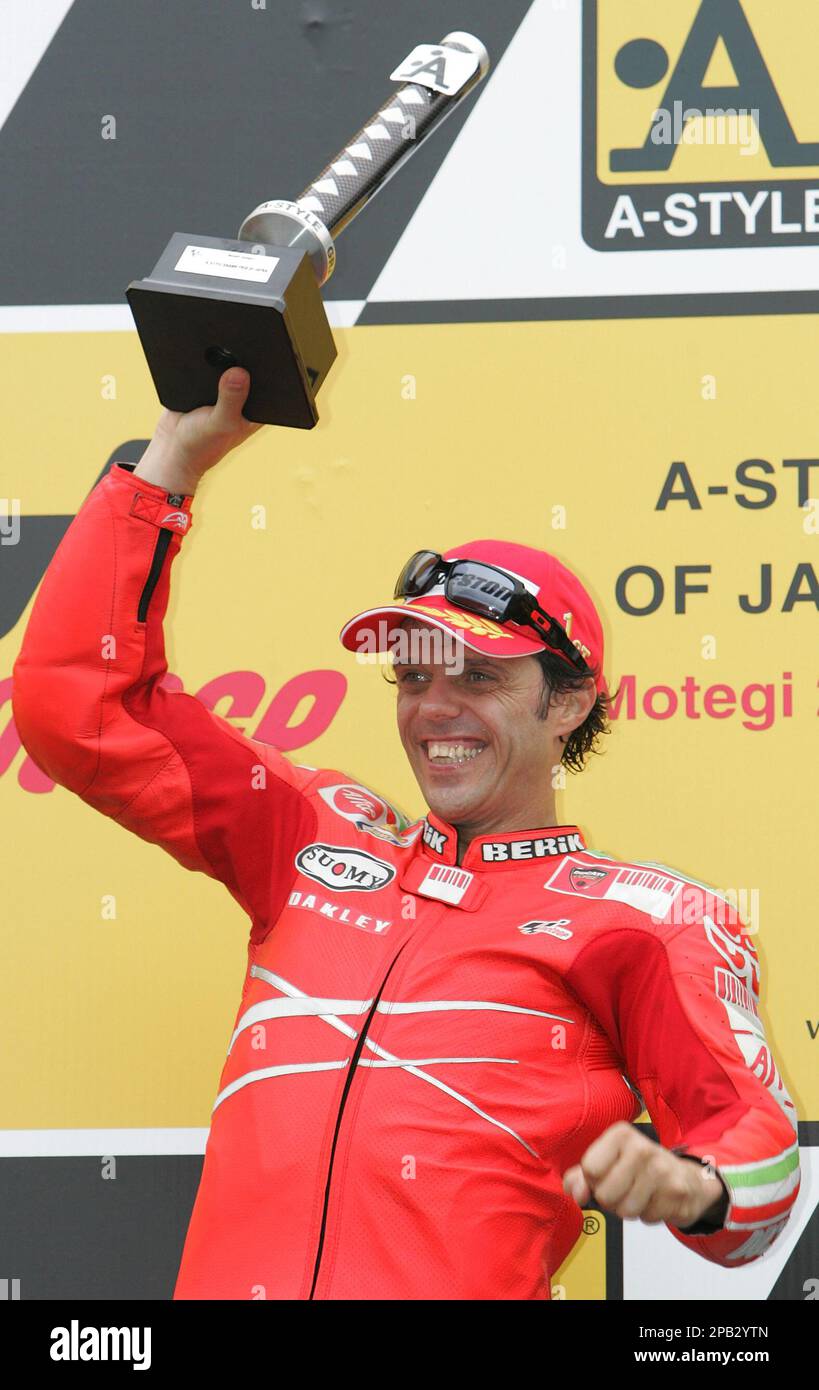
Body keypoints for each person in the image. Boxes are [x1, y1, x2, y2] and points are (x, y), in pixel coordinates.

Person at [12, 368, 800, 1301]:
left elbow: (758, 1162)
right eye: (414, 676)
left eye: (477, 677)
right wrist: (169, 467)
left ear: (570, 702)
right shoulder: (308, 834)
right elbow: (82, 710)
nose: (435, 709)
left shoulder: (646, 919)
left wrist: (698, 1189)